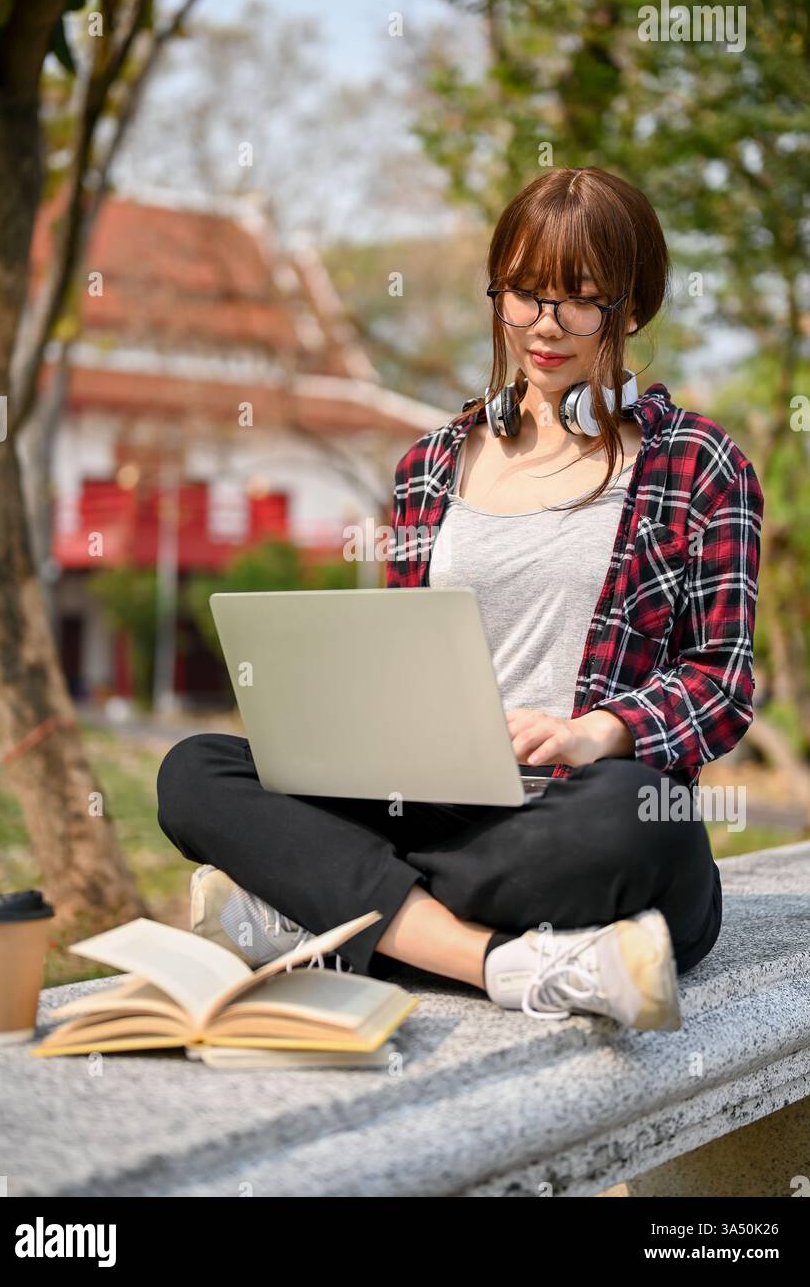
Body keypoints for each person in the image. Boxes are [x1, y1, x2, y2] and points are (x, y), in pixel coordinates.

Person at [156, 166, 763, 1032]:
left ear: (632, 310)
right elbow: (402, 654)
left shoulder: (699, 465)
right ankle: (500, 961)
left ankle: (318, 903)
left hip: (571, 811)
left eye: (579, 300)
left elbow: (722, 680)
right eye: (522, 294)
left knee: (641, 821)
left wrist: (600, 731)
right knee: (196, 771)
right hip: (433, 808)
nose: (541, 327)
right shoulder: (428, 465)